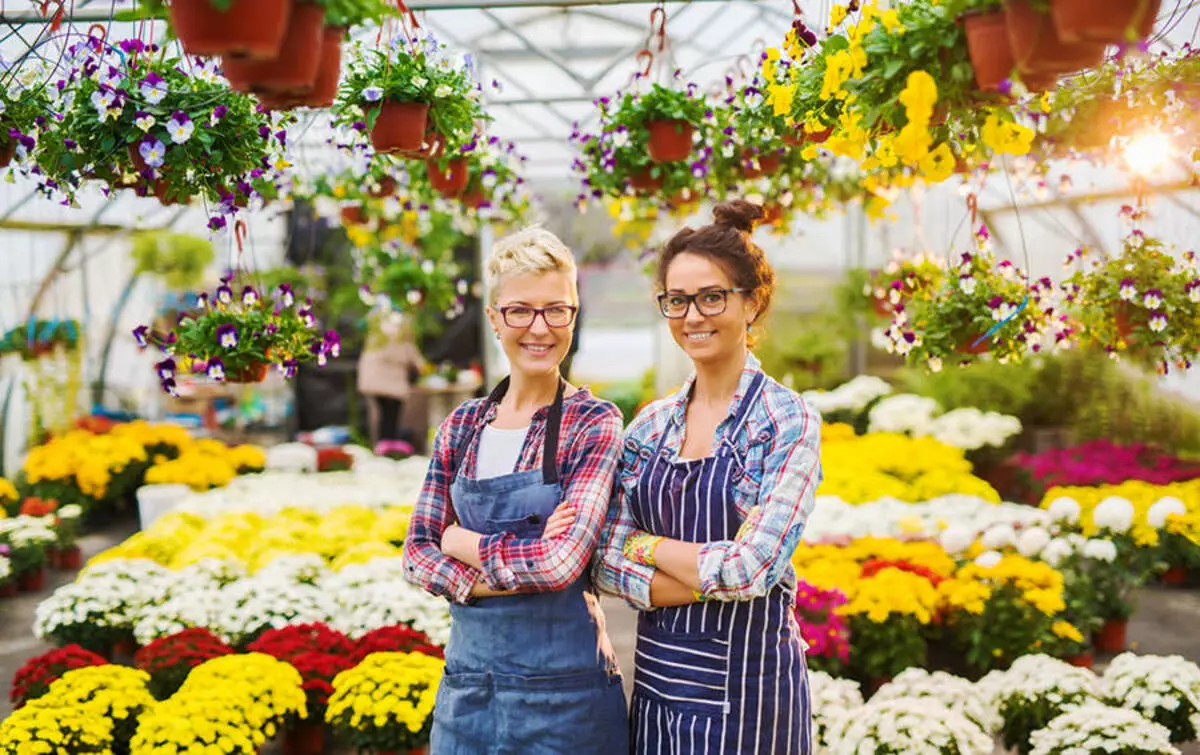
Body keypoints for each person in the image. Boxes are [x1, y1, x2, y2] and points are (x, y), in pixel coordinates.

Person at [594, 200, 821, 754]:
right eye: (677, 300)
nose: (693, 316)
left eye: (712, 296)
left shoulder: (785, 420)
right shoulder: (651, 425)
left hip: (750, 699)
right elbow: (603, 556)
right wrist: (700, 572)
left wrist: (646, 546)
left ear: (753, 302)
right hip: (655, 694)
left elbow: (752, 569)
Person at [402, 227, 629, 754]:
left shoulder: (591, 423)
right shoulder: (461, 427)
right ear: (494, 318)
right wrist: (514, 565)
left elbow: (561, 564)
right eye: (521, 310)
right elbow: (415, 555)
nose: (540, 328)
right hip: (467, 700)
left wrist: (463, 546)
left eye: (557, 310)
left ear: (574, 313)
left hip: (567, 705)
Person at [357, 310, 426, 444]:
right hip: (392, 386)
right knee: (391, 419)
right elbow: (415, 361)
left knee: (383, 417)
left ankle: (382, 447)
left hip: (372, 382)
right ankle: (389, 449)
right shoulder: (402, 339)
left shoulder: (377, 335)